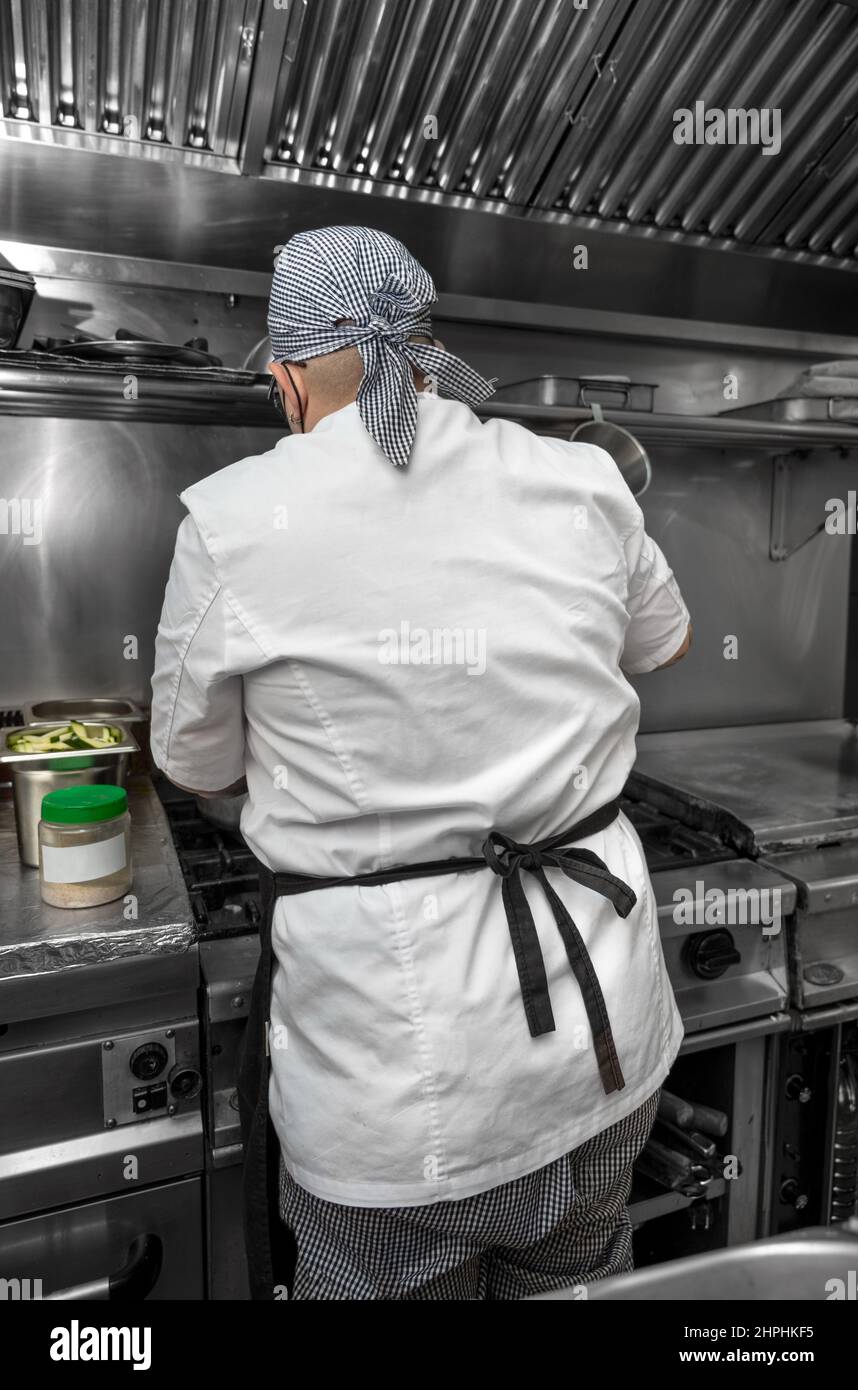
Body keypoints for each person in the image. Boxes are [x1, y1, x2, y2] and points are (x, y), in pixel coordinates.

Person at [151, 225, 692, 1301]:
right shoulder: (581, 478)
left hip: (394, 1111)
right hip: (602, 1058)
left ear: (290, 373)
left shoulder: (232, 521)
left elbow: (194, 762)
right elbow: (664, 641)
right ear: (426, 347)